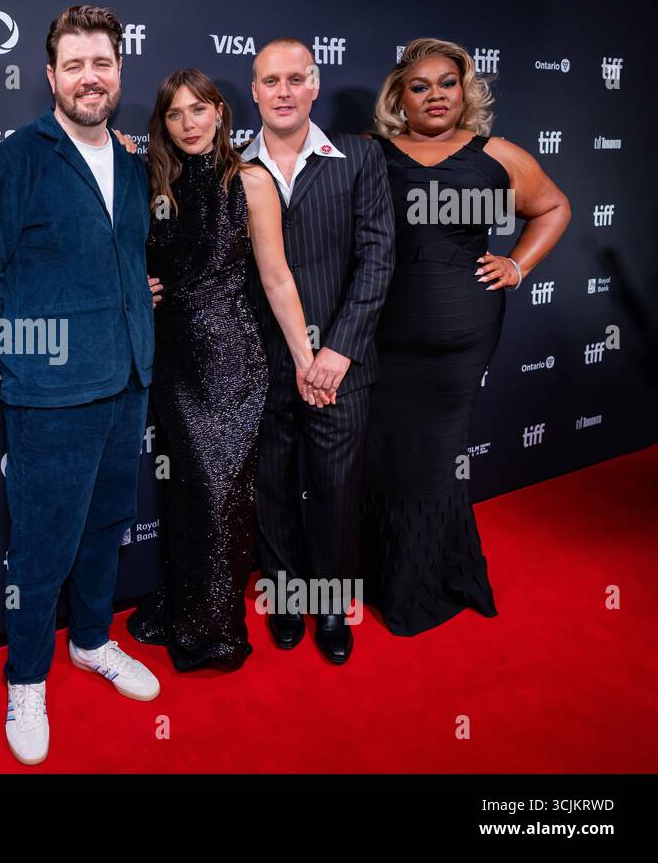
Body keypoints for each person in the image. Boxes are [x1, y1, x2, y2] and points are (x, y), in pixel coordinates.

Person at [0, 5, 157, 766]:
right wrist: (23, 363)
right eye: (73, 65)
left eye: (100, 63)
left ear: (118, 71)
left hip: (128, 379)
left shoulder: (134, 167)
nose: (88, 77)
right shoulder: (16, 161)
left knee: (107, 528)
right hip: (50, 395)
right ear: (50, 76)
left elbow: (123, 260)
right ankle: (26, 678)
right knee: (41, 549)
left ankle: (95, 641)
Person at [361, 37, 569, 635]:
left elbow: (553, 206)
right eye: (419, 85)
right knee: (384, 456)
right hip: (381, 334)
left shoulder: (495, 153)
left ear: (465, 89)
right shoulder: (370, 153)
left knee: (437, 458)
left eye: (446, 83)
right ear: (399, 95)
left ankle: (426, 584)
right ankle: (385, 572)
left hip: (461, 336)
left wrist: (518, 265)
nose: (434, 95)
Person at [127, 69, 327, 672]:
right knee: (186, 492)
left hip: (232, 361)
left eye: (198, 109)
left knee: (221, 496)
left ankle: (213, 630)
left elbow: (276, 277)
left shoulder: (250, 180)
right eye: (174, 114)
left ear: (220, 112)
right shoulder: (148, 178)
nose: (187, 124)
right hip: (171, 357)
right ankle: (182, 603)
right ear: (162, 123)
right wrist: (135, 285)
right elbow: (112, 247)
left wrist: (304, 358)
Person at [242, 37, 395, 665]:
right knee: (272, 486)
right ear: (253, 91)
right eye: (269, 80)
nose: (282, 91)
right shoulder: (231, 166)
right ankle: (282, 595)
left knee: (334, 487)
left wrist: (338, 351)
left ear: (314, 86)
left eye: (294, 79)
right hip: (261, 364)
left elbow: (378, 257)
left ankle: (330, 603)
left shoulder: (358, 159)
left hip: (339, 365)